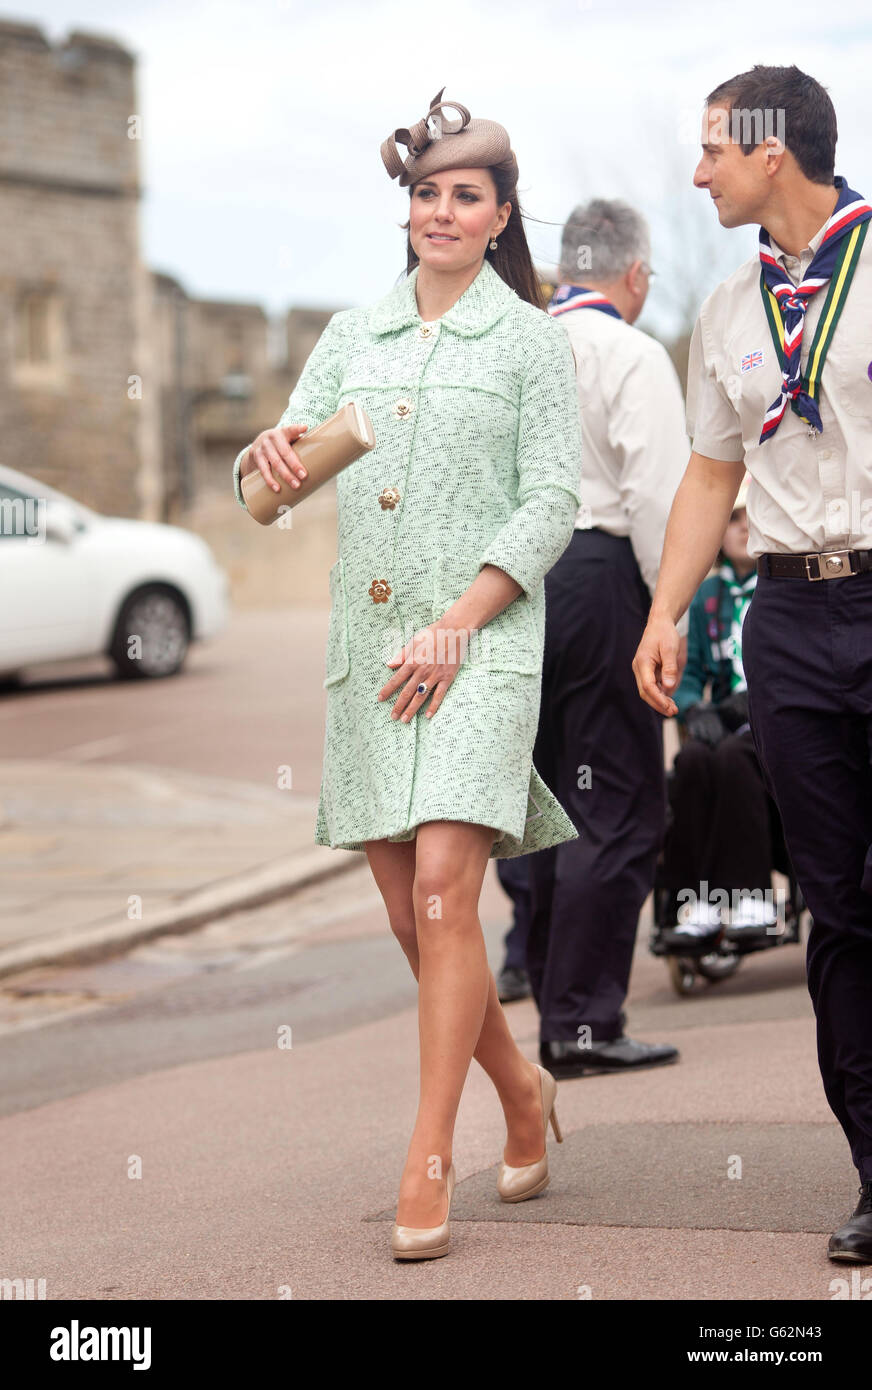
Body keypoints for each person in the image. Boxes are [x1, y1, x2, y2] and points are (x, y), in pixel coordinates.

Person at [232, 89, 584, 1260]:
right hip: (372, 653)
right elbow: (269, 485)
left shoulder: (531, 341)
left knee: (443, 886)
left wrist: (461, 621)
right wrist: (265, 455)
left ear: (499, 216)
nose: (440, 211)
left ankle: (429, 1154)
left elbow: (551, 499)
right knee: (408, 912)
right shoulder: (353, 335)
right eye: (425, 192)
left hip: (481, 643)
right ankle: (520, 1090)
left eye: (464, 195)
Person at [633, 64, 872, 1263]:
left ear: (771, 151)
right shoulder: (727, 311)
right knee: (834, 902)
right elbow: (709, 474)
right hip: (783, 618)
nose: (697, 173)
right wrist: (666, 609)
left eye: (712, 149)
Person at [497, 199, 687, 1079]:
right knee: (614, 803)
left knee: (541, 805)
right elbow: (656, 496)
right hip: (601, 576)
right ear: (634, 274)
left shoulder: (518, 346)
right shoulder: (629, 353)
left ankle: (552, 1007)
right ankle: (582, 1024)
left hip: (514, 581)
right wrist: (665, 614)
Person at [660, 480, 781, 947]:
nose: (743, 526)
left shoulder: (781, 585)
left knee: (733, 757)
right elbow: (690, 675)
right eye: (732, 518)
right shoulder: (707, 596)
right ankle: (699, 902)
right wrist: (694, 709)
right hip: (727, 721)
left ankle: (753, 896)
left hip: (771, 722)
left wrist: (749, 702)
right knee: (692, 760)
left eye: (751, 514)